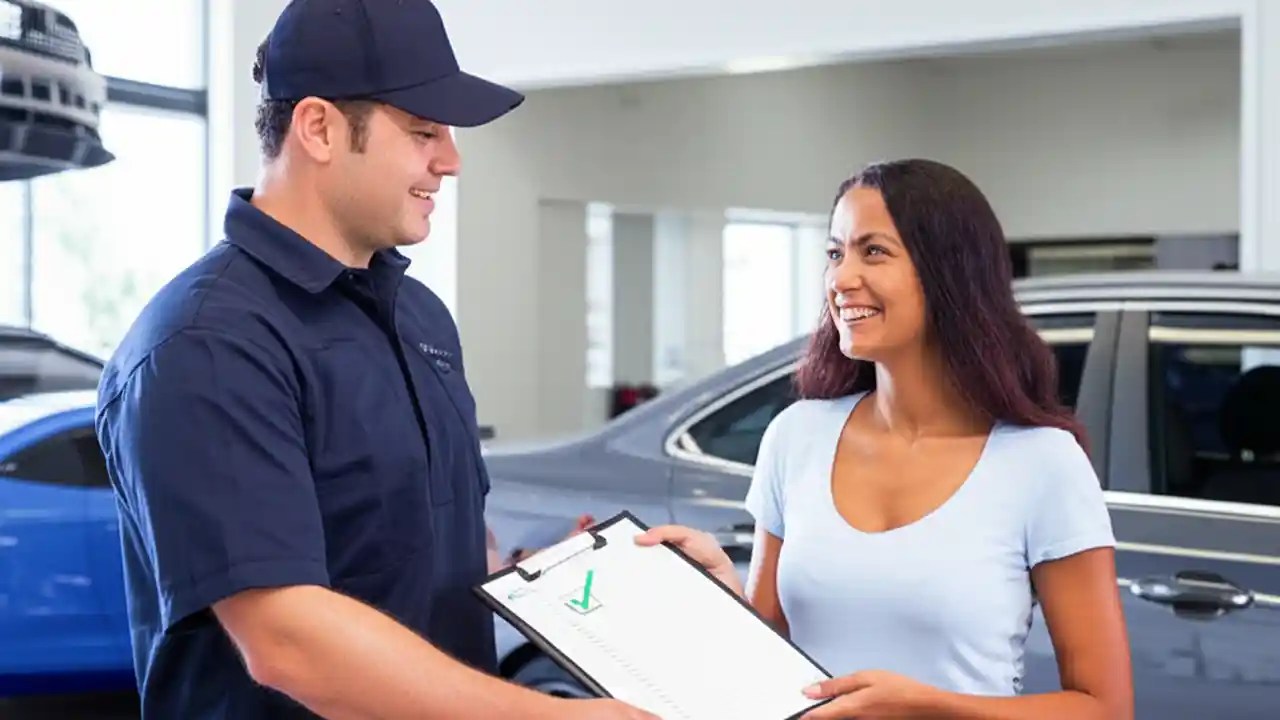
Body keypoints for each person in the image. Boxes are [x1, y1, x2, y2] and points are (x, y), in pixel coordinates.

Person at [94, 1, 657, 719]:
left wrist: (563, 574)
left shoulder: (418, 316)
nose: (450, 161)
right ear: (320, 128)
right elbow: (287, 640)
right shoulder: (207, 344)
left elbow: (424, 554)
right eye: (423, 131)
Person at [638, 159, 1134, 719]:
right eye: (834, 253)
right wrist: (720, 591)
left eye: (873, 252)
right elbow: (771, 652)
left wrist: (927, 706)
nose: (841, 278)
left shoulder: (1043, 464)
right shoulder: (795, 437)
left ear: (949, 272)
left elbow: (1105, 708)